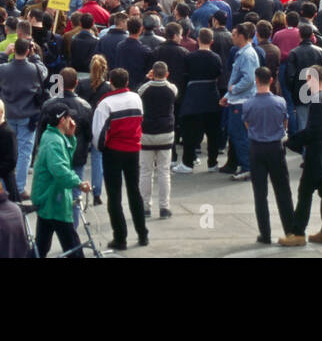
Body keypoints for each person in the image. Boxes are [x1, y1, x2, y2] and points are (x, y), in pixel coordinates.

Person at [281, 64, 322, 246]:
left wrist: (291, 141)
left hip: (317, 150)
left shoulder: (318, 100)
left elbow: (312, 130)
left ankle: (298, 233)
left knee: (305, 191)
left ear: (311, 79)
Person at [91, 67, 149, 250]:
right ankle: (142, 233)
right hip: (133, 150)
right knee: (134, 191)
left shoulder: (106, 103)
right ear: (127, 81)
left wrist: (102, 148)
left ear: (111, 82)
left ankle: (120, 237)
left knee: (114, 196)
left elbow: (98, 133)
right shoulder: (136, 98)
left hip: (113, 151)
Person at [31, 106, 92, 257]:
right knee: (72, 246)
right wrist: (79, 183)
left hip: (47, 197)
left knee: (41, 246)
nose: (72, 120)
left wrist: (71, 136)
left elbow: (64, 161)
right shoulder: (55, 141)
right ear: (62, 120)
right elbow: (60, 169)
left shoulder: (51, 135)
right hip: (54, 199)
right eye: (69, 117)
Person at [245, 66, 295, 245]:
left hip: (257, 148)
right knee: (283, 190)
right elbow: (285, 121)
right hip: (275, 147)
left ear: (256, 80)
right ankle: (290, 229)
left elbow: (247, 124)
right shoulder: (280, 102)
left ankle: (265, 233)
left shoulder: (248, 103)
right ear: (271, 80)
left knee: (260, 193)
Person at [0, 38, 46, 196]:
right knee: (24, 152)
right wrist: (35, 56)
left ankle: (3, 186)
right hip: (28, 115)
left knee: (7, 151)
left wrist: (3, 54)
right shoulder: (34, 69)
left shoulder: (5, 69)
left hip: (8, 114)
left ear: (14, 50)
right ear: (28, 51)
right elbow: (44, 71)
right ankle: (20, 188)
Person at [177, 28, 224, 172]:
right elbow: (219, 74)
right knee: (213, 133)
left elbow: (185, 77)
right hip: (211, 96)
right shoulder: (216, 58)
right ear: (212, 41)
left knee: (190, 133)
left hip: (193, 97)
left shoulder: (190, 57)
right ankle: (212, 163)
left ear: (198, 40)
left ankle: (188, 163)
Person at [138, 61, 178, 217]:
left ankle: (145, 206)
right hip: (166, 132)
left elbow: (139, 91)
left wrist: (147, 78)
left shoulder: (145, 88)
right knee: (164, 171)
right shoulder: (172, 89)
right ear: (167, 74)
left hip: (147, 132)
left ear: (152, 73)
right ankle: (164, 207)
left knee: (146, 172)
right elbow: (175, 93)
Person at [221, 25, 260, 179]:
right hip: (238, 99)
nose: (232, 36)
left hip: (242, 101)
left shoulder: (247, 55)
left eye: (235, 34)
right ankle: (246, 166)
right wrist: (228, 94)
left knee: (239, 134)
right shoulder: (243, 53)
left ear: (242, 36)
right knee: (237, 133)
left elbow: (249, 79)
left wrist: (233, 90)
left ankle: (247, 167)